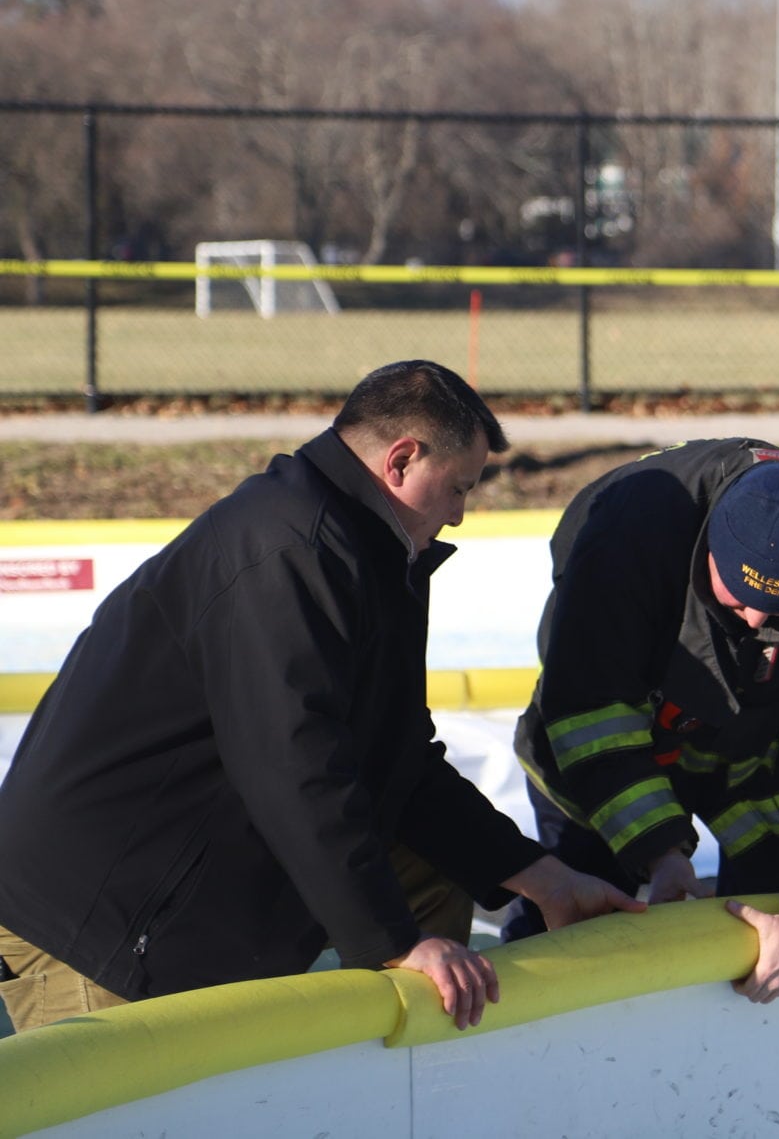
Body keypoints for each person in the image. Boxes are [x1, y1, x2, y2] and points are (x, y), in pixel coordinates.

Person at [0, 360, 641, 1036]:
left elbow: (401, 763)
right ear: (401, 460)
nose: (460, 512)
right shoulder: (281, 549)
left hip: (189, 873)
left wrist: (543, 878)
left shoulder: (371, 554)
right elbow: (294, 766)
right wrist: (393, 940)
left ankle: (410, 1073)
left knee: (432, 868)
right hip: (100, 917)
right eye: (458, 488)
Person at [506, 439, 779, 1004]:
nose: (756, 619)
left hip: (754, 763)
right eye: (739, 597)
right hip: (607, 763)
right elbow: (587, 710)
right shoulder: (629, 531)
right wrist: (661, 854)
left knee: (776, 933)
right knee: (574, 924)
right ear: (708, 548)